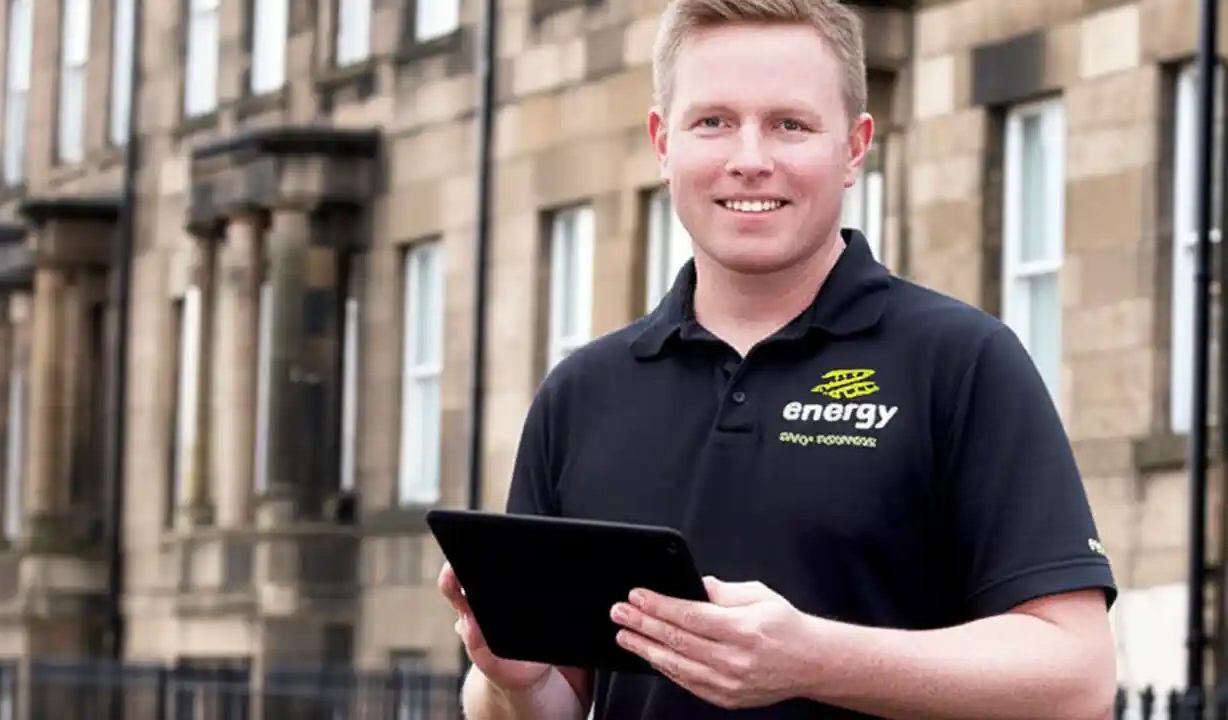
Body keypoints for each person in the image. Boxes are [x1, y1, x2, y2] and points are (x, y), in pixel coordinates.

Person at [439, 0, 1118, 717]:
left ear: (854, 147)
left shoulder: (961, 362)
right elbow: (556, 703)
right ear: (662, 141)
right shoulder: (582, 393)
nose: (750, 159)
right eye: (714, 122)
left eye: (790, 124)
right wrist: (511, 680)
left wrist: (814, 660)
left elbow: (1077, 675)